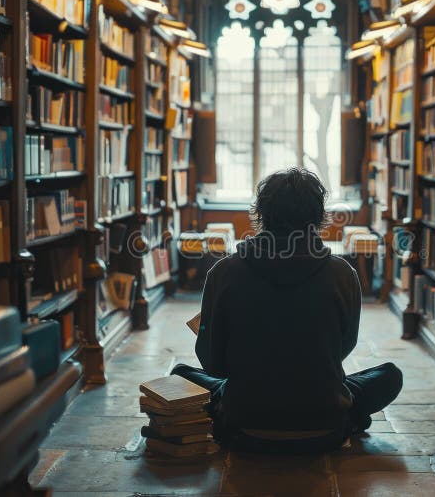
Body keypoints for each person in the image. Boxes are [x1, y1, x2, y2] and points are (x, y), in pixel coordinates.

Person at [172, 168, 402, 453]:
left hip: (242, 424)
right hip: (325, 424)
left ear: (260, 213)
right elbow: (343, 346)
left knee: (181, 373)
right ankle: (349, 417)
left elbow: (212, 363)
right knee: (390, 375)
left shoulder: (223, 271)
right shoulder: (342, 273)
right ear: (319, 216)